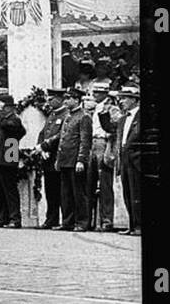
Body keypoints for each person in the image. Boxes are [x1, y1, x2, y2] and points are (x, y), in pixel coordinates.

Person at [54, 88, 93, 231]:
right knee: (66, 194)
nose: (65, 101)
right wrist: (58, 159)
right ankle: (67, 222)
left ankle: (82, 222)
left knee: (79, 193)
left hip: (76, 161)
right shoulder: (67, 116)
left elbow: (85, 140)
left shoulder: (84, 116)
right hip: (65, 160)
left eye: (68, 98)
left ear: (76, 100)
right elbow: (62, 140)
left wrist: (81, 160)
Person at [0, 87, 25, 227]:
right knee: (0, 190)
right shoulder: (2, 119)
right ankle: (2, 218)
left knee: (10, 190)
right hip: (0, 156)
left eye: (2, 105)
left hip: (9, 155)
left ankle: (15, 219)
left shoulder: (14, 119)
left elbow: (4, 124)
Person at [85, 82, 117, 231]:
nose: (94, 94)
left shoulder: (112, 108)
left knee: (104, 184)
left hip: (103, 142)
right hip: (91, 142)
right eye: (94, 92)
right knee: (89, 183)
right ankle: (89, 220)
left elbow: (114, 127)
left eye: (98, 92)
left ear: (105, 93)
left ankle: (106, 220)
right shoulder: (92, 108)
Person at [36, 89, 67, 228]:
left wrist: (46, 146)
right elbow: (43, 133)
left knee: (61, 191)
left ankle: (62, 220)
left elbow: (61, 135)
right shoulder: (51, 115)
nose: (49, 101)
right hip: (48, 157)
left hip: (58, 157)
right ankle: (51, 219)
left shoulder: (66, 115)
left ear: (60, 99)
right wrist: (41, 148)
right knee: (50, 191)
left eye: (52, 98)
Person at [115, 85, 142, 234]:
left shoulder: (142, 116)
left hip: (136, 159)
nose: (121, 101)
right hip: (125, 158)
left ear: (134, 100)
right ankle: (132, 225)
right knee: (127, 192)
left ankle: (139, 226)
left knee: (137, 193)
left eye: (124, 98)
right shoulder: (123, 119)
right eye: (120, 98)